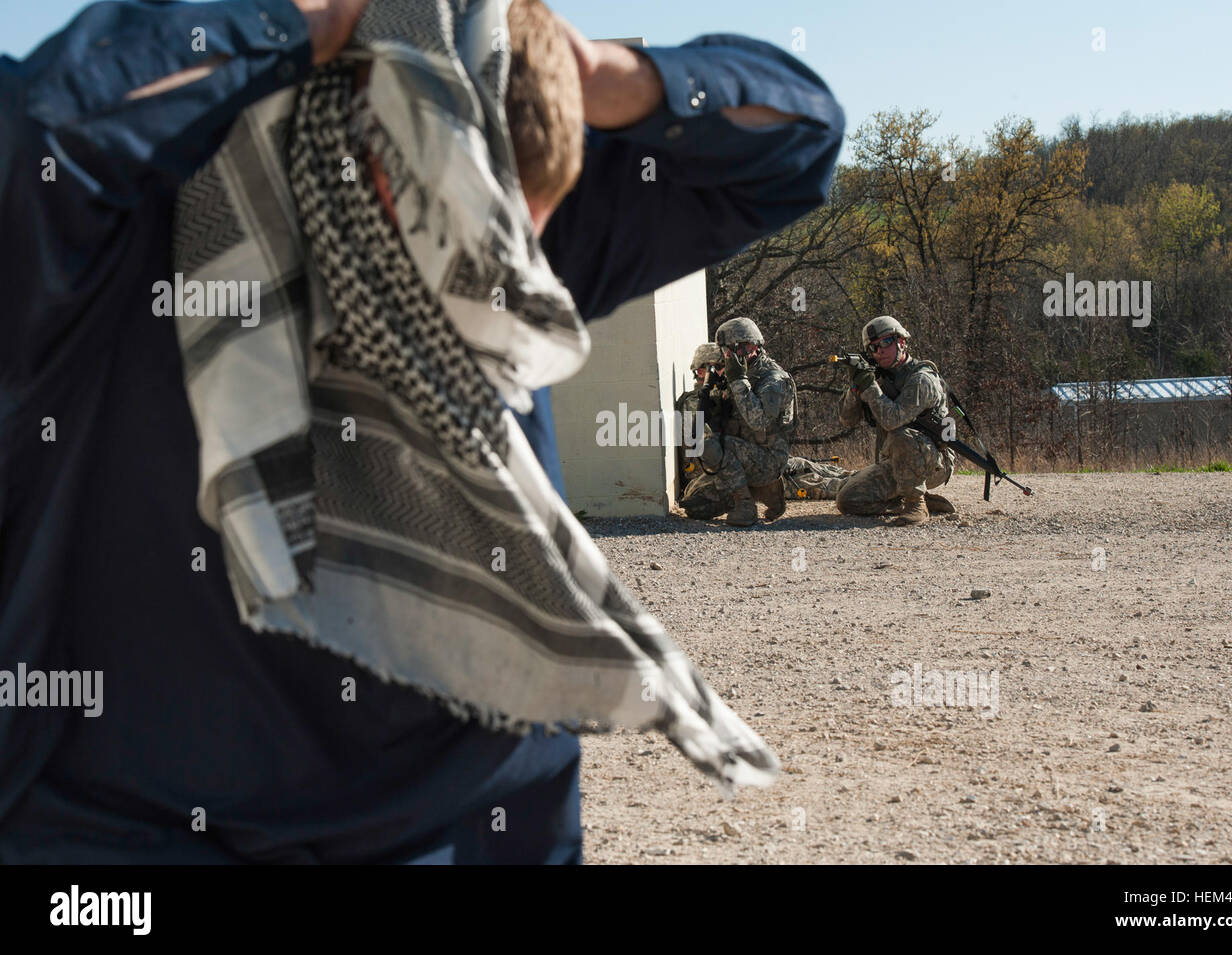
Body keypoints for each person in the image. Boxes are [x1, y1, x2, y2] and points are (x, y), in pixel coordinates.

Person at [0, 0, 844, 862]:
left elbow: (801, 141)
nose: (496, 281)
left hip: (463, 821)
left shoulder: (515, 246)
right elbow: (34, 132)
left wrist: (605, 79)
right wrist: (292, 26)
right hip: (134, 827)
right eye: (463, 233)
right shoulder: (119, 218)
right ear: (381, 160)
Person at [835, 316, 957, 524]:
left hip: (933, 463)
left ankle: (916, 505)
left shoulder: (921, 379)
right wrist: (856, 387)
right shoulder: (878, 376)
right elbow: (847, 420)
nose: (879, 351)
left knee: (901, 435)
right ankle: (908, 499)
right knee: (848, 500)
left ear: (901, 341)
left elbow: (893, 420)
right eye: (873, 348)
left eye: (885, 342)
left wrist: (870, 387)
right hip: (896, 463)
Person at [680, 317, 795, 526]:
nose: (727, 356)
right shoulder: (739, 374)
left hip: (768, 459)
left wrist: (737, 381)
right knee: (695, 505)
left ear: (751, 346)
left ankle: (745, 505)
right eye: (725, 350)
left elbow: (757, 422)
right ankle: (766, 492)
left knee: (710, 446)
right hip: (742, 457)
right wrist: (710, 396)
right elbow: (699, 435)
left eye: (731, 350)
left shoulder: (773, 380)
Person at [674, 343, 724, 502]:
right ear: (702, 371)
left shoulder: (714, 397)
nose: (723, 371)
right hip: (707, 483)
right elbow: (695, 450)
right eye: (718, 367)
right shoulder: (693, 403)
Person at [782, 456, 851, 500]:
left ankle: (854, 480)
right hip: (788, 476)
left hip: (788, 472)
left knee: (826, 473)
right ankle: (854, 480)